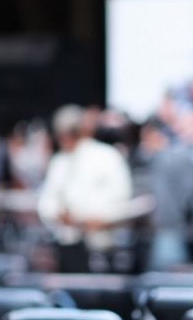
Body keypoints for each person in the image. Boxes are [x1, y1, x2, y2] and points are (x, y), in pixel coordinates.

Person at [37, 104, 134, 273]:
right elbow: (47, 201)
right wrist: (58, 214)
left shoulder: (107, 156)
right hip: (67, 245)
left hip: (102, 246)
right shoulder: (59, 161)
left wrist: (97, 217)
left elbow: (122, 198)